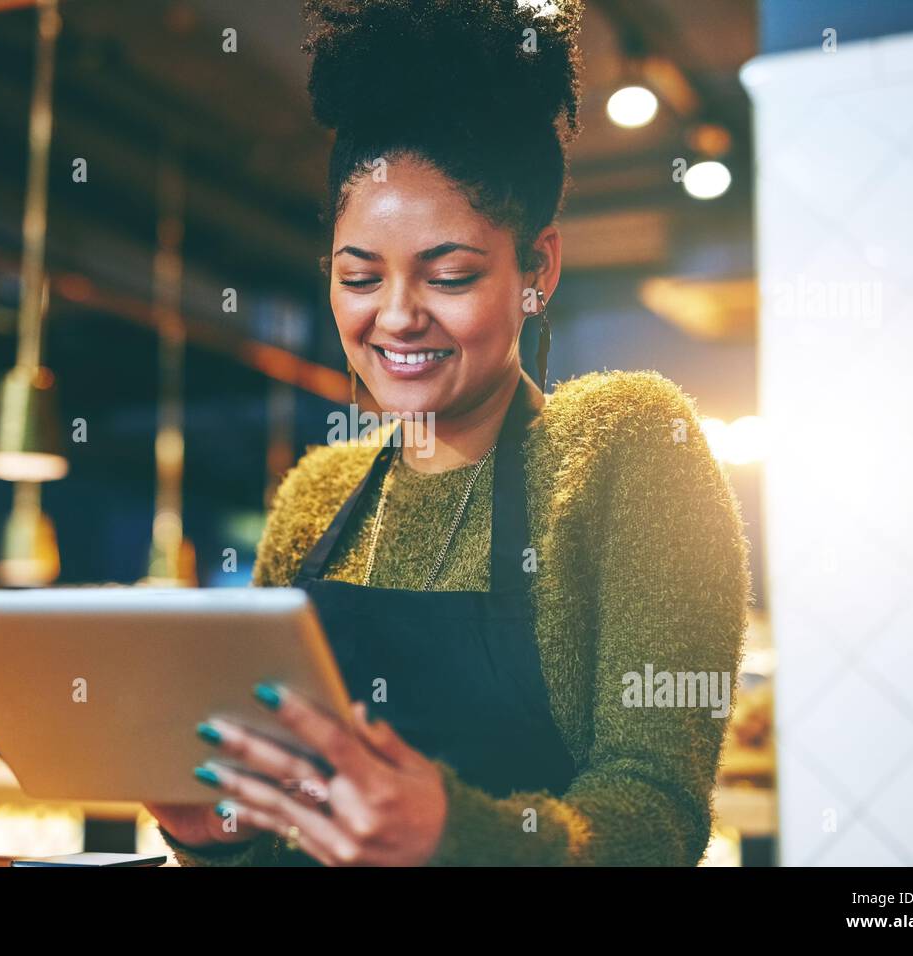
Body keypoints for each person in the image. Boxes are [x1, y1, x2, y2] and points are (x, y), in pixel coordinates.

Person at [149, 0, 751, 866]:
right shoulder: (315, 500)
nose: (396, 318)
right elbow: (283, 826)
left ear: (536, 267)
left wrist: (452, 835)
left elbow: (657, 816)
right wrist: (212, 836)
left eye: (451, 274)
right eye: (360, 276)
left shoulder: (628, 448)